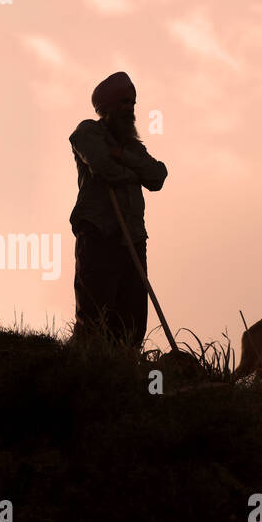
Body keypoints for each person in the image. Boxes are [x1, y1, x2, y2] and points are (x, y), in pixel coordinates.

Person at [68, 71, 168, 348]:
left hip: (133, 239)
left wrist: (123, 157)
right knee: (95, 314)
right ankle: (86, 371)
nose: (130, 109)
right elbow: (103, 166)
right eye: (124, 102)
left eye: (133, 102)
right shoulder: (87, 132)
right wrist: (134, 172)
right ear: (107, 107)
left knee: (132, 319)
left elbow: (158, 175)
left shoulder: (132, 147)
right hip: (100, 235)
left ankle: (125, 374)